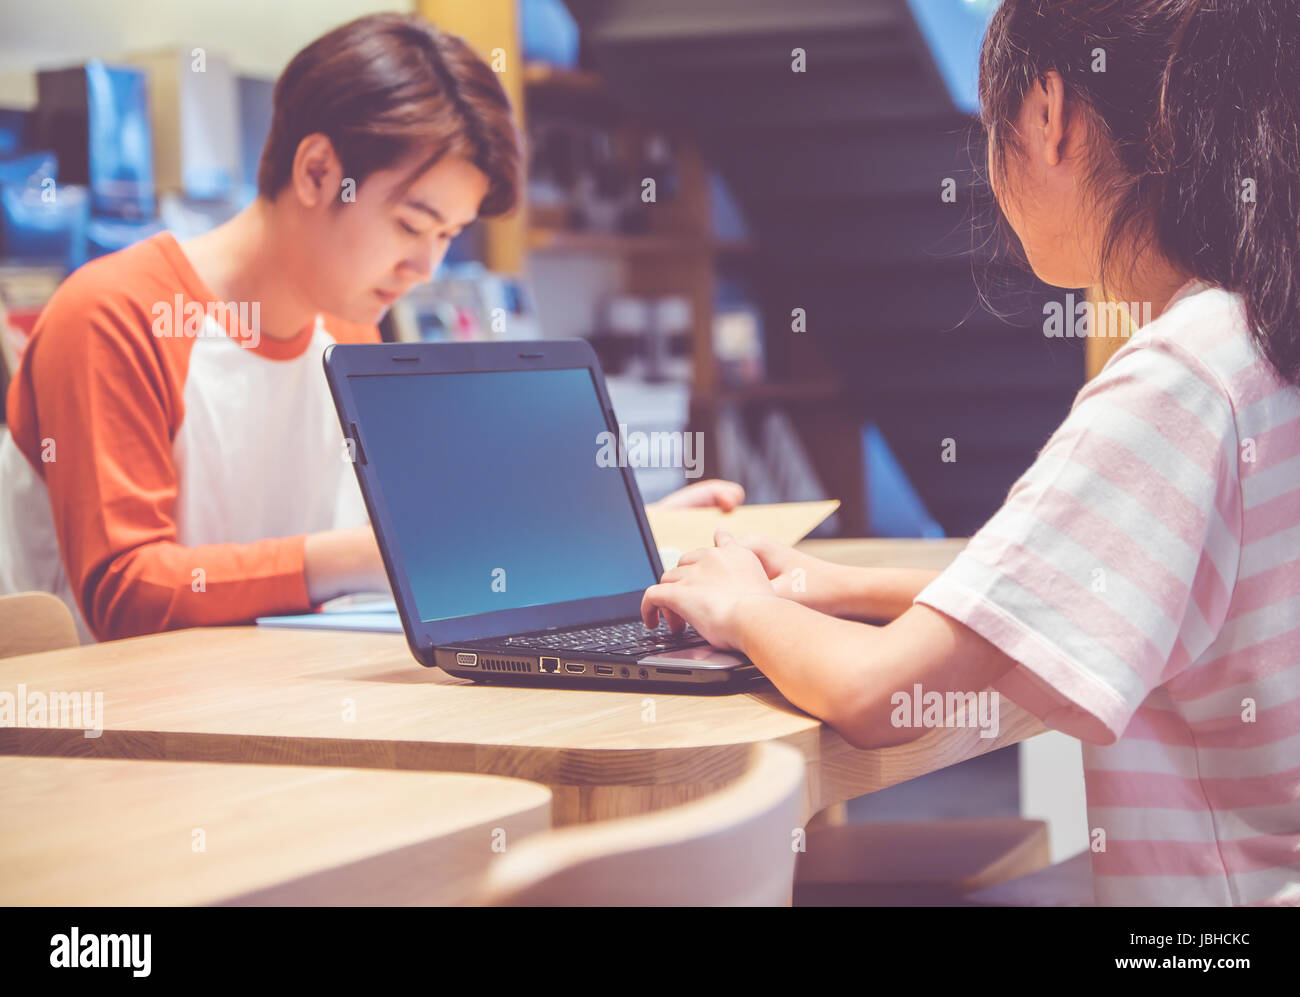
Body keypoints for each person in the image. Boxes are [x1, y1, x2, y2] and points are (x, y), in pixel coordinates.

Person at [641, 0, 1299, 906]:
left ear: (1047, 113)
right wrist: (836, 587)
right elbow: (1100, 591)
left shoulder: (1183, 374)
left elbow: (874, 693)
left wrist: (741, 606)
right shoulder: (1263, 338)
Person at [0, 13, 742, 644]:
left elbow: (426, 522)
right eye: (411, 223)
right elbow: (125, 594)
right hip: (119, 751)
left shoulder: (348, 324)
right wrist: (379, 553)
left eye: (448, 234)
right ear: (319, 171)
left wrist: (605, 530)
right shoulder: (116, 314)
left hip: (282, 707)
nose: (424, 265)